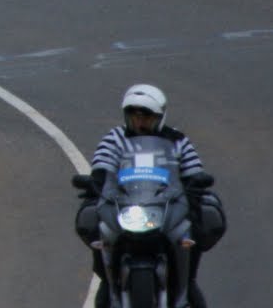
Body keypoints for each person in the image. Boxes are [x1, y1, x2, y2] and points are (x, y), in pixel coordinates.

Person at [83, 84, 210, 308]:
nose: (140, 122)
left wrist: (195, 185)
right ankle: (110, 287)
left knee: (196, 229)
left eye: (147, 117)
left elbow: (194, 174)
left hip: (166, 210)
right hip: (126, 209)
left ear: (160, 117)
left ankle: (184, 290)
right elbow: (101, 170)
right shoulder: (114, 139)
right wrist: (95, 184)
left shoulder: (178, 141)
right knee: (95, 224)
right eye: (134, 116)